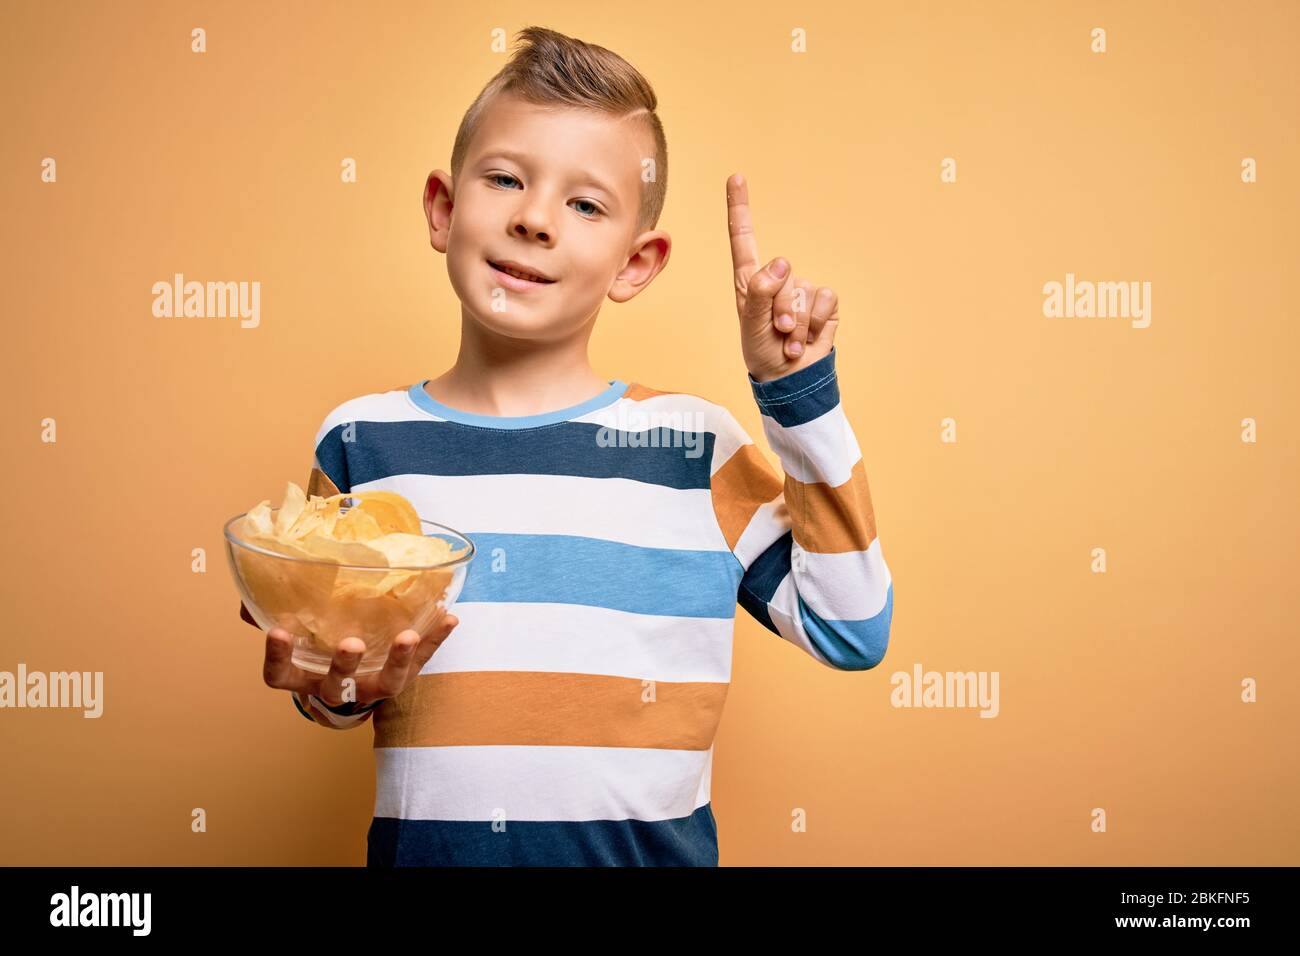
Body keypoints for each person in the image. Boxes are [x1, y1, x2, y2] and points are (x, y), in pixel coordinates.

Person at [242, 25, 893, 866]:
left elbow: (851, 629)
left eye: (585, 205)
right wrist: (334, 692)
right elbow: (339, 683)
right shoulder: (361, 443)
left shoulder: (694, 450)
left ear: (636, 262)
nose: (534, 219)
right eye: (506, 178)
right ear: (444, 209)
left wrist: (795, 396)